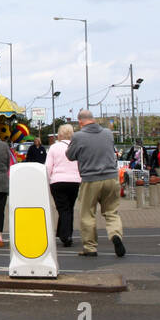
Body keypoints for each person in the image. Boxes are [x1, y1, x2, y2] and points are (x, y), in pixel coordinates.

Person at [66, 109, 125, 257]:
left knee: (87, 214)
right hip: (111, 177)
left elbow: (70, 156)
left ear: (80, 122)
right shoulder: (107, 133)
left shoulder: (78, 136)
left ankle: (90, 247)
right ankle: (115, 235)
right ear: (93, 119)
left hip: (90, 179)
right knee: (112, 212)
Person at [45, 124, 82, 247]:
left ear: (59, 134)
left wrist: (47, 180)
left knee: (63, 209)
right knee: (69, 208)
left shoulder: (54, 147)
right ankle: (64, 233)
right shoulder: (76, 147)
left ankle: (66, 236)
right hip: (74, 181)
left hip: (58, 181)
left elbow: (48, 167)